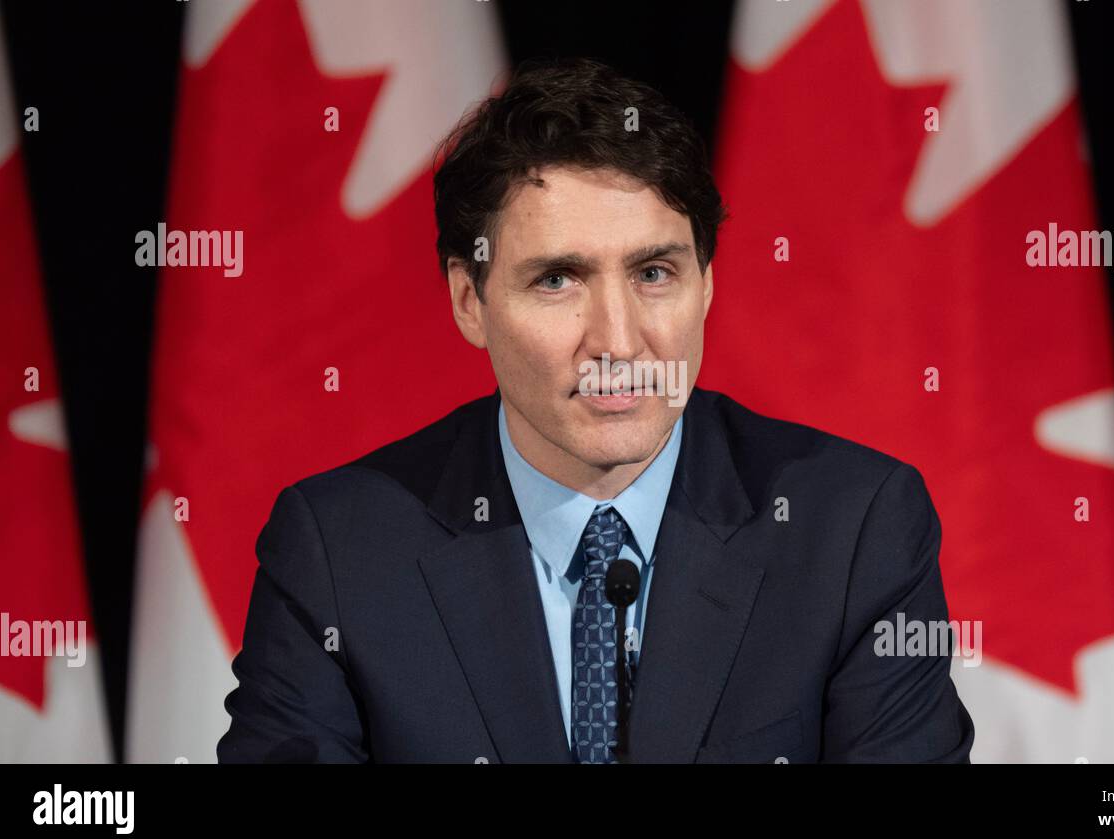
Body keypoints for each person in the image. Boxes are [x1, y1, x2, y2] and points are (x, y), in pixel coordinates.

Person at [217, 56, 974, 763]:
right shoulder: (339, 553)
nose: (617, 340)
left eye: (653, 272)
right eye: (557, 280)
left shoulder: (852, 529)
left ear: (706, 284)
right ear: (468, 301)